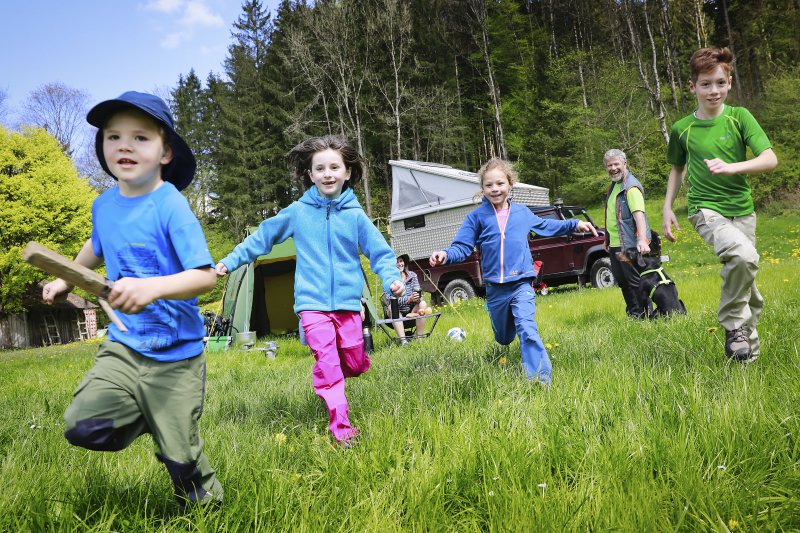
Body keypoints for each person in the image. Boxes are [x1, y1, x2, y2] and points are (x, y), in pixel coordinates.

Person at [41, 92, 223, 509]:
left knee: (181, 458)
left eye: (140, 138)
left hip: (176, 355)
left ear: (165, 152)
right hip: (125, 345)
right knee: (83, 426)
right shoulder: (103, 205)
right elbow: (96, 245)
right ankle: (147, 412)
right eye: (113, 136)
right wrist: (67, 278)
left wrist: (151, 288)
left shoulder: (172, 206)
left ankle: (206, 504)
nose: (124, 145)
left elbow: (205, 277)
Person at [216, 135, 404, 446]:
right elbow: (261, 238)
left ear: (347, 172)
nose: (328, 174)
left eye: (334, 167)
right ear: (310, 174)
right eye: (320, 168)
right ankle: (341, 427)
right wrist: (228, 262)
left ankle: (339, 375)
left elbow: (380, 253)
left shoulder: (355, 216)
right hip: (312, 304)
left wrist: (391, 278)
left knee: (354, 362)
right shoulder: (297, 212)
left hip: (347, 303)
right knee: (328, 365)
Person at [429, 158, 597, 384]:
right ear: (482, 189)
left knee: (527, 328)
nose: (495, 189)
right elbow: (462, 246)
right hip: (495, 288)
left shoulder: (522, 213)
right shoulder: (476, 218)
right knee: (504, 337)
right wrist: (445, 254)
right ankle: (505, 336)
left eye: (500, 183)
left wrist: (573, 224)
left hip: (521, 282)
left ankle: (539, 380)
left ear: (510, 184)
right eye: (489, 185)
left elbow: (546, 226)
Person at [662, 47, 778, 363]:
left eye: (720, 83)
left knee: (747, 284)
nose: (714, 91)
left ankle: (745, 360)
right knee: (744, 256)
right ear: (692, 87)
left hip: (742, 209)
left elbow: (770, 158)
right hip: (705, 209)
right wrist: (667, 207)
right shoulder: (682, 128)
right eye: (706, 84)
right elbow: (677, 168)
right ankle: (731, 325)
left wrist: (733, 167)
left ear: (729, 82)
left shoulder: (739, 117)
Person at [603, 148, 652, 319]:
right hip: (616, 245)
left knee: (635, 282)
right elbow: (612, 215)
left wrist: (642, 240)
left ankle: (647, 314)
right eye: (610, 165)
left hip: (630, 244)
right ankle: (635, 314)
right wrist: (607, 239)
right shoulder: (613, 188)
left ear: (625, 164)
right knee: (623, 282)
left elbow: (639, 215)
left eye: (616, 164)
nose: (613, 168)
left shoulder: (630, 187)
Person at [382, 254, 430, 345]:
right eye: (397, 262)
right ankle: (404, 341)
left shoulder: (412, 275)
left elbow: (418, 291)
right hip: (395, 313)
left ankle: (419, 338)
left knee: (423, 304)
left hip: (412, 311)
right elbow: (389, 300)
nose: (400, 264)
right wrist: (408, 299)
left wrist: (418, 298)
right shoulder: (388, 281)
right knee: (392, 307)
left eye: (401, 261)